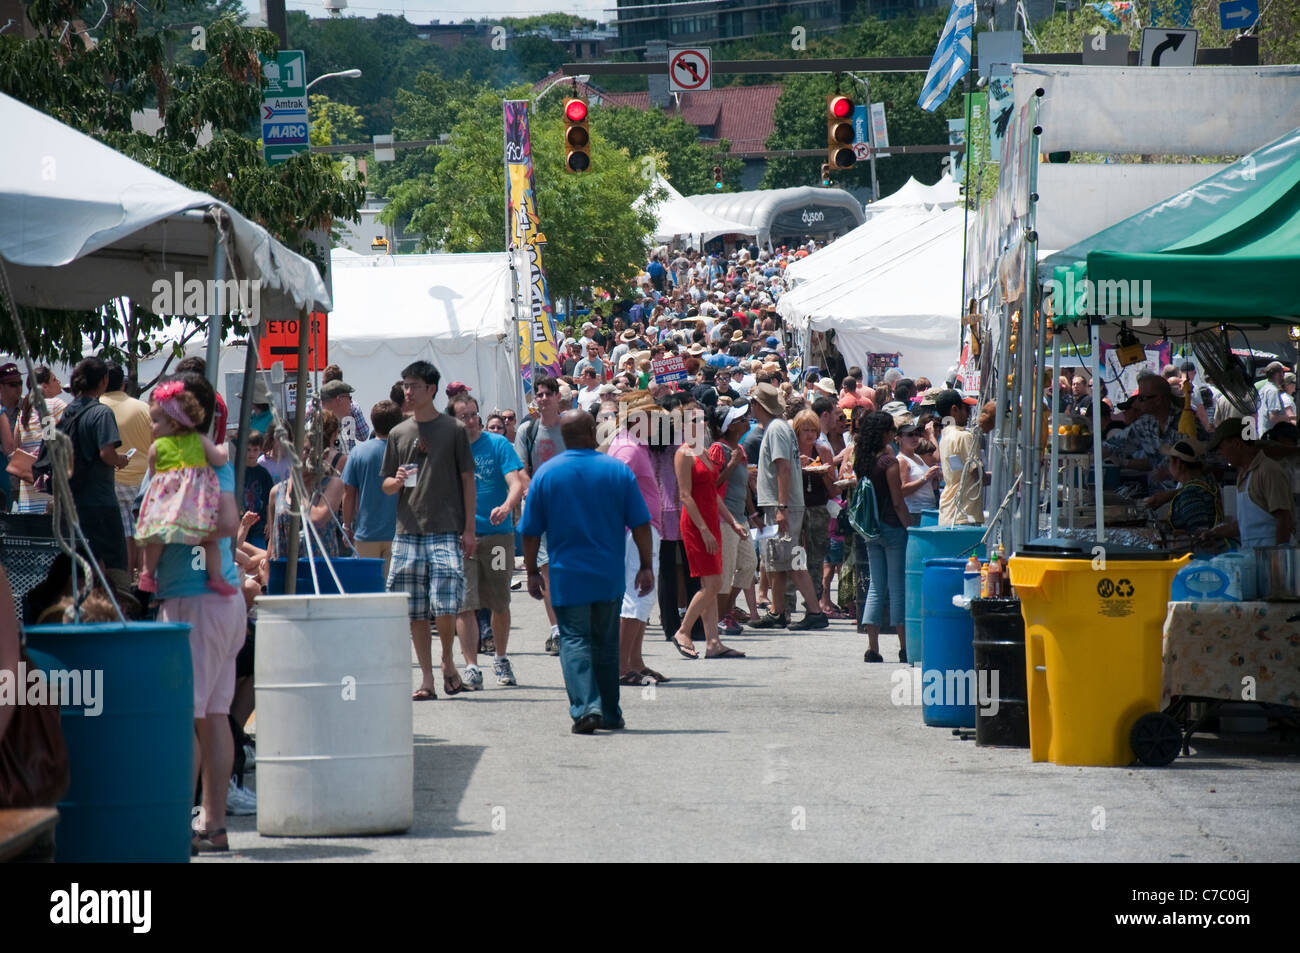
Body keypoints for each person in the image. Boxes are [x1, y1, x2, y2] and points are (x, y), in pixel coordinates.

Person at [149, 372, 244, 853]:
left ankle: (181, 828)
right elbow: (226, 523)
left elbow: (221, 524)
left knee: (184, 716)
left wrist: (176, 534)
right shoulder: (214, 458)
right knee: (214, 715)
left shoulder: (171, 457)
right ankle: (214, 824)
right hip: (222, 602)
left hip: (193, 600)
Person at [519, 410, 653, 733]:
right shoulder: (617, 472)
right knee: (605, 643)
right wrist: (647, 566)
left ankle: (585, 708)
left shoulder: (546, 475)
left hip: (566, 576)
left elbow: (530, 531)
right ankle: (609, 710)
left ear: (563, 437)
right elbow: (641, 523)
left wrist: (532, 572)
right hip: (608, 574)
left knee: (574, 639)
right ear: (593, 431)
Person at [381, 361, 476, 701]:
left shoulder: (453, 429)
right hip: (407, 529)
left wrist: (469, 528)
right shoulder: (397, 433)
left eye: (415, 385)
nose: (408, 391)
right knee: (415, 608)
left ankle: (448, 658)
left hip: (446, 528)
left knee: (446, 602)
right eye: (405, 384)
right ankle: (426, 678)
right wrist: (398, 480)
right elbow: (387, 486)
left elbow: (467, 479)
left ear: (432, 389)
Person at [449, 393, 526, 690]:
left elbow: (516, 481)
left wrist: (507, 505)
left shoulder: (497, 445)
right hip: (462, 537)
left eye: (473, 415)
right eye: (463, 416)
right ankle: (471, 666)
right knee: (465, 603)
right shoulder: (449, 450)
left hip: (497, 537)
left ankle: (501, 657)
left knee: (498, 600)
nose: (470, 421)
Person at [134, 379, 234, 596]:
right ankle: (216, 577)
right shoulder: (199, 440)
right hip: (195, 506)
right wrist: (222, 451)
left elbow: (153, 474)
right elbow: (218, 458)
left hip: (167, 508)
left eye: (156, 421)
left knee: (155, 539)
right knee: (208, 541)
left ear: (175, 421)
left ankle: (147, 573)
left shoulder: (158, 447)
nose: (152, 426)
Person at [670, 400, 747, 660]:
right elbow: (684, 495)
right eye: (694, 420)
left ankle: (713, 642)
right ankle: (683, 630)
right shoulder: (684, 453)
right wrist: (703, 529)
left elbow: (712, 493)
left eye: (702, 419)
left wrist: (733, 521)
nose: (701, 423)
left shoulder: (702, 451)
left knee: (710, 582)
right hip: (695, 524)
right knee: (713, 583)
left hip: (711, 521)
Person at [749, 383, 828, 630]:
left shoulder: (776, 429)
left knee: (791, 561)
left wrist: (781, 506)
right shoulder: (778, 428)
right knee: (777, 562)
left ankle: (815, 612)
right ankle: (778, 611)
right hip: (781, 504)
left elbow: (783, 467)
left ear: (757, 406)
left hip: (782, 505)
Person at [607, 392, 668, 684]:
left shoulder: (634, 445)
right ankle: (621, 665)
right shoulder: (629, 449)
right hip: (636, 532)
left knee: (642, 598)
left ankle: (633, 660)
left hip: (640, 529)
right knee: (637, 596)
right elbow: (611, 492)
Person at [60, 357, 131, 573]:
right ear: (103, 381)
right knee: (115, 562)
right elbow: (106, 453)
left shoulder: (67, 412)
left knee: (80, 565)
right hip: (100, 502)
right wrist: (120, 460)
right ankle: (118, 605)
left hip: (71, 500)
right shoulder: (101, 413)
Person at [854, 411, 912, 663]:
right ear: (886, 433)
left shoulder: (862, 461)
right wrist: (910, 527)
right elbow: (898, 502)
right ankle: (904, 646)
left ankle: (873, 647)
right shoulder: (890, 463)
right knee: (897, 587)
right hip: (891, 527)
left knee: (876, 587)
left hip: (871, 529)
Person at [515, 375, 566, 653]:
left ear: (558, 397)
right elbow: (520, 468)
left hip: (568, 508)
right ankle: (556, 629)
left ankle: (572, 625)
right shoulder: (527, 431)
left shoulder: (568, 428)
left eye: (548, 393)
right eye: (540, 394)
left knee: (568, 568)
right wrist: (533, 490)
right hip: (539, 508)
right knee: (547, 571)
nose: (543, 398)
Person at [1202, 418, 1294, 548]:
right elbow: (1247, 525)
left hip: (1272, 559)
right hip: (1253, 557)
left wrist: (1277, 561)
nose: (1220, 454)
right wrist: (1214, 533)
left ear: (1237, 444)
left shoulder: (1268, 470)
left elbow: (1284, 520)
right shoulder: (1243, 475)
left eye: (1221, 448)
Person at [709, 402, 759, 636]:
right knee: (727, 570)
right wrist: (731, 463)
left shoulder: (738, 448)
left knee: (749, 564)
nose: (746, 421)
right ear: (729, 426)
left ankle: (725, 611)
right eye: (741, 419)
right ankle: (720, 617)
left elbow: (745, 486)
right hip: (724, 517)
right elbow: (714, 484)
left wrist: (753, 513)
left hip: (740, 517)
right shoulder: (719, 449)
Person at [101, 363, 153, 575]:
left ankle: (123, 582)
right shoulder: (143, 408)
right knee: (142, 535)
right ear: (123, 383)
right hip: (141, 482)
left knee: (123, 536)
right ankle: (142, 582)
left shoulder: (97, 407)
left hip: (110, 481)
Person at [341, 400, 403, 578]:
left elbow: (349, 494)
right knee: (393, 589)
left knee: (366, 587)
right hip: (398, 534)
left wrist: (346, 525)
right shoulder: (403, 451)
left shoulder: (358, 453)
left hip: (365, 532)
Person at [11, 366, 67, 514]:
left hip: (28, 491)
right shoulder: (54, 405)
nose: (59, 382)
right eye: (54, 380)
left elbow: (15, 446)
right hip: (48, 492)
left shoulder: (24, 411)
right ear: (44, 386)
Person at [1142, 439, 1220, 540]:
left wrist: (1183, 533)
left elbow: (1200, 532)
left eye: (1169, 461)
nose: (1168, 466)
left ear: (1178, 463)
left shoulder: (1189, 495)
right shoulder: (1207, 481)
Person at [936, 390, 983, 527]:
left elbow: (960, 470)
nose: (969, 414)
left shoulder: (945, 436)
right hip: (964, 514)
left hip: (948, 513)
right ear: (955, 410)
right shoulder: (964, 437)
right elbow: (978, 475)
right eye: (966, 409)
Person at [897, 423, 941, 524]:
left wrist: (934, 476)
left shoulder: (917, 456)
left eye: (916, 434)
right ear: (899, 439)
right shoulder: (902, 460)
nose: (915, 438)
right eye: (910, 435)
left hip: (928, 509)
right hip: (915, 512)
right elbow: (903, 490)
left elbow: (936, 458)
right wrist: (925, 478)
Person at [239, 432, 274, 551]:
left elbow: (269, 500)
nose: (251, 453)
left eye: (255, 450)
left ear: (260, 450)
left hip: (259, 524)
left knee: (260, 555)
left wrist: (269, 523)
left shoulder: (264, 474)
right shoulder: (237, 471)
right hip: (240, 525)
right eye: (248, 450)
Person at [1256, 360, 1291, 438]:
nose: (1283, 375)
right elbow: (1274, 417)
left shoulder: (1264, 389)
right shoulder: (1273, 391)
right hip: (1271, 436)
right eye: (1283, 372)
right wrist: (1291, 418)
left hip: (1263, 433)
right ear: (1278, 374)